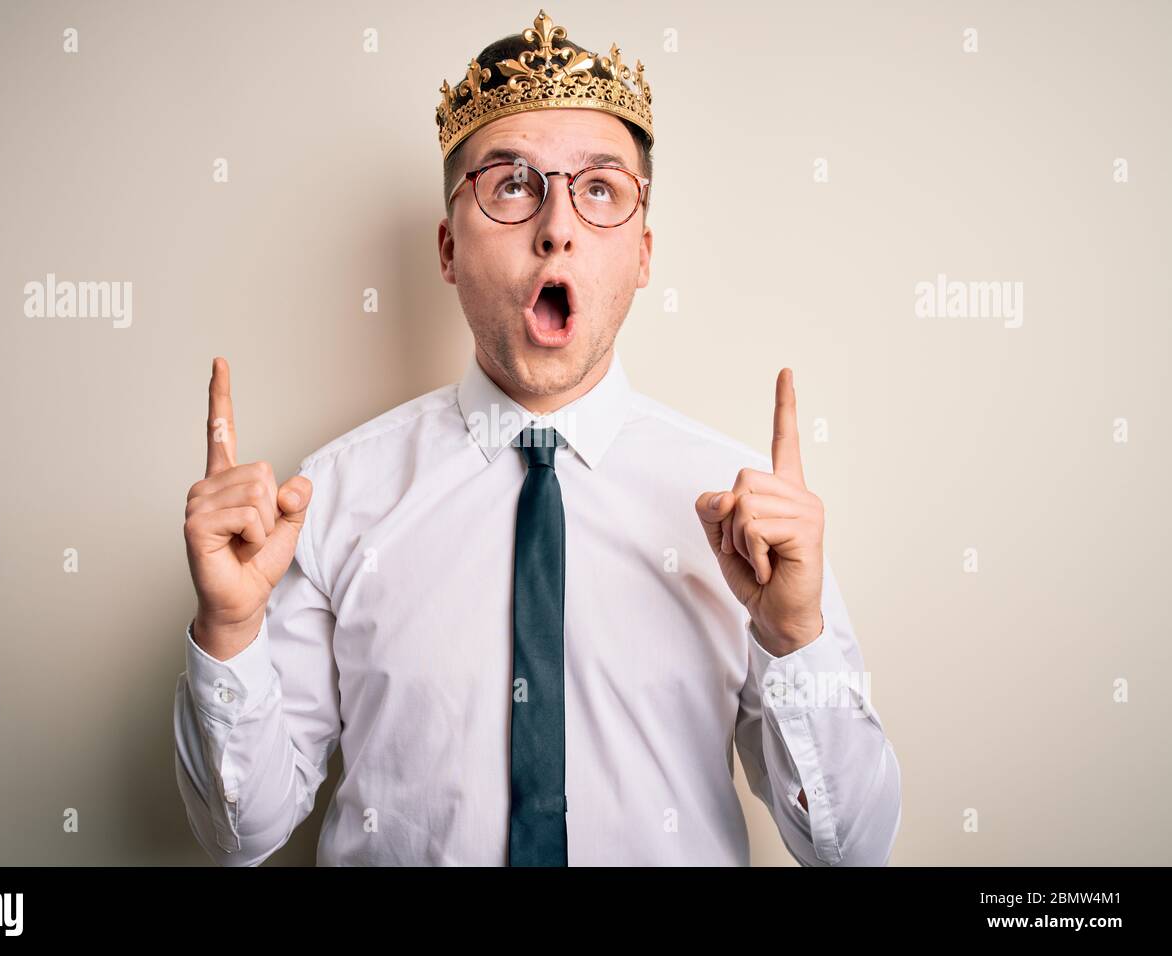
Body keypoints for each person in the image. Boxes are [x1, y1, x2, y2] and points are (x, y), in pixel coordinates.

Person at [173, 8, 901, 866]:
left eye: (600, 189)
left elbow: (849, 852)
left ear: (643, 253)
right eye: (512, 184)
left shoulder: (752, 519)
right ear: (447, 248)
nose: (556, 225)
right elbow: (240, 835)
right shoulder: (327, 500)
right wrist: (227, 629)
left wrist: (796, 637)